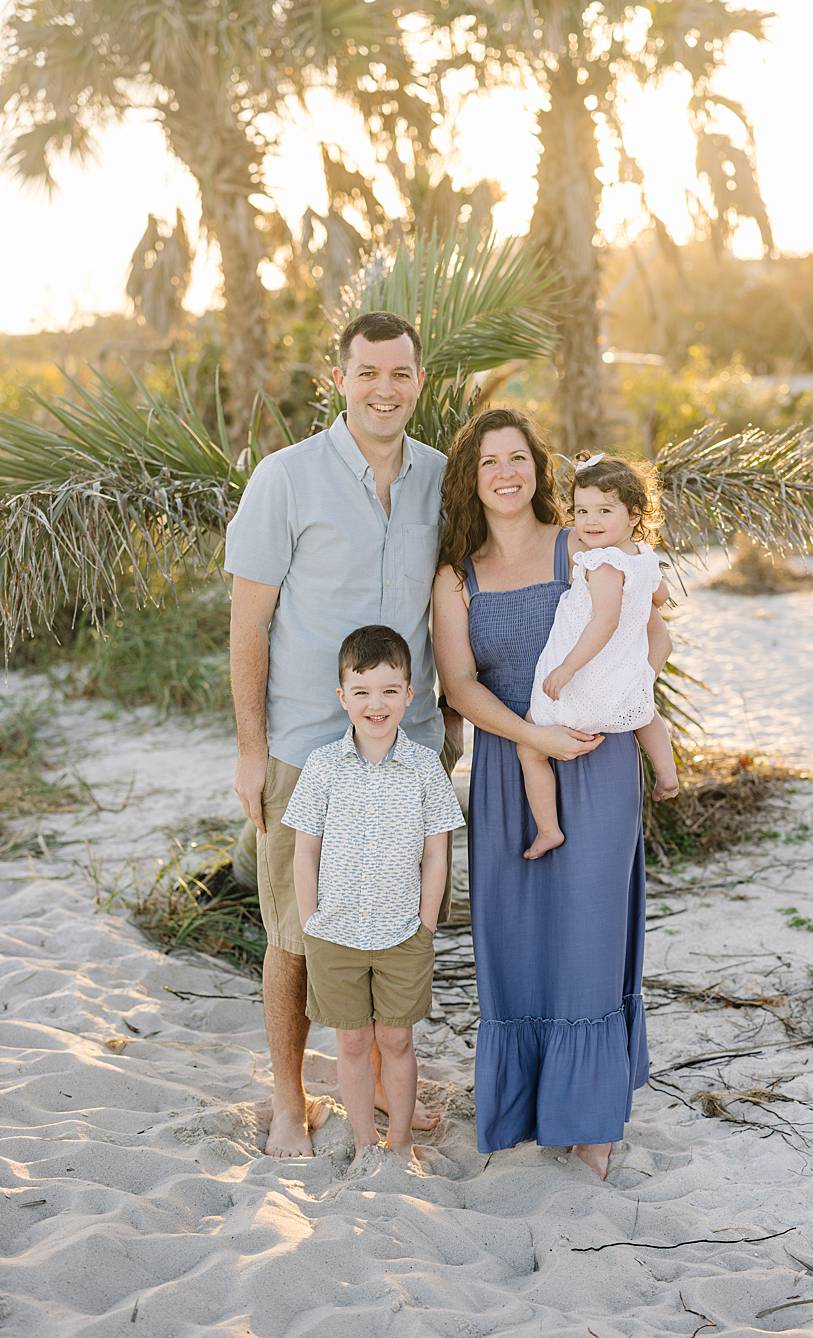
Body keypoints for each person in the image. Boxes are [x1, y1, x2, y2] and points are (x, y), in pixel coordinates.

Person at [225, 311, 457, 1157]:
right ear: (341, 379)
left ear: (419, 382)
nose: (384, 389)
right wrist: (252, 750)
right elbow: (249, 625)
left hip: (412, 750)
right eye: (368, 373)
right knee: (295, 931)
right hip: (302, 749)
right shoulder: (285, 478)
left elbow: (456, 609)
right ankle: (291, 1102)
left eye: (399, 374)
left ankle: (392, 1096)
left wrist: (452, 727)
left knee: (400, 923)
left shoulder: (441, 479)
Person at [430, 407, 670, 1180]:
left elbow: (648, 624)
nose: (506, 473)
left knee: (589, 935)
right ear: (472, 479)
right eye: (489, 462)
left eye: (518, 459)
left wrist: (626, 693)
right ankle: (529, 1108)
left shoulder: (582, 543)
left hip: (596, 761)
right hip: (510, 768)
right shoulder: (456, 575)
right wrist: (534, 736)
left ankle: (593, 1121)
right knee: (517, 938)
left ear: (538, 469)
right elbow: (460, 685)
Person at [283, 626, 464, 1165]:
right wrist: (312, 920)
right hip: (334, 933)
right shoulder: (321, 767)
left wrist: (426, 924)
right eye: (361, 692)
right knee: (353, 1044)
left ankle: (401, 1141)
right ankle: (365, 1144)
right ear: (343, 698)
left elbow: (437, 853)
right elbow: (304, 852)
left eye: (389, 690)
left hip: (402, 933)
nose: (376, 704)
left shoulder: (426, 768)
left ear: (409, 695)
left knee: (398, 1042)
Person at [518, 455, 679, 860]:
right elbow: (659, 595)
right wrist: (654, 597)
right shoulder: (642, 556)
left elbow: (604, 622)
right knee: (645, 710)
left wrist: (567, 667)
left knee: (529, 745)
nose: (590, 520)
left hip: (586, 683)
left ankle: (549, 828)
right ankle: (667, 774)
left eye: (604, 511)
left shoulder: (602, 563)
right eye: (583, 510)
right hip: (622, 679)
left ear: (634, 514)